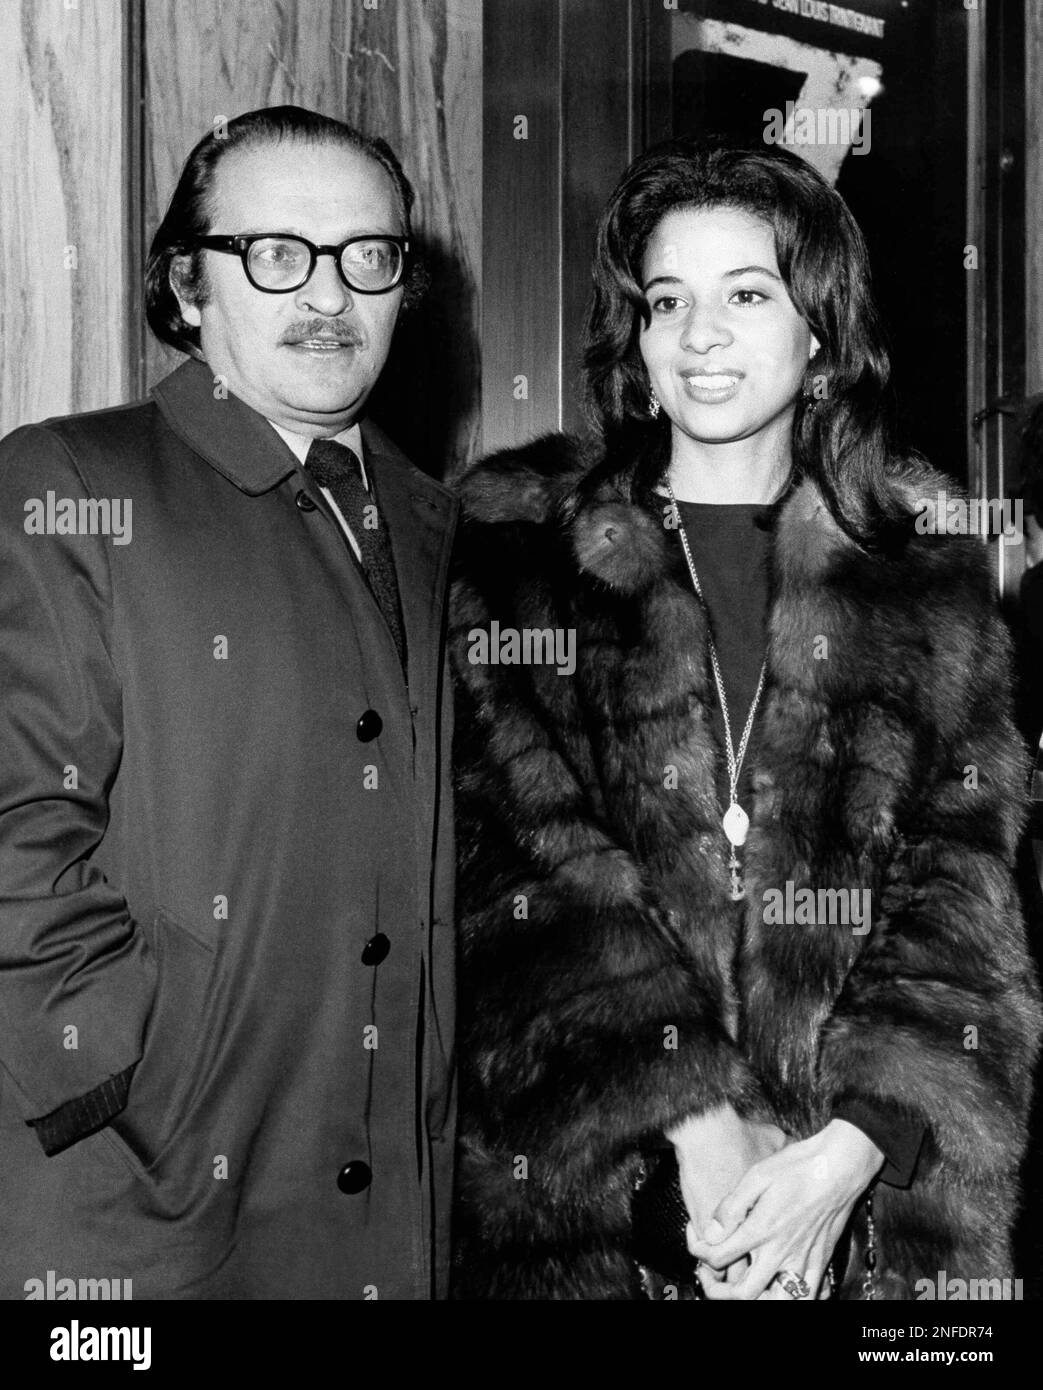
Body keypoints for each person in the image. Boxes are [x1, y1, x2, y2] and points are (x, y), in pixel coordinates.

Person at [448, 137, 1041, 1300]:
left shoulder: (918, 575)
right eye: (666, 300)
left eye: (746, 294)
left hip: (867, 1211)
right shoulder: (521, 551)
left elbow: (960, 905)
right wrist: (700, 1124)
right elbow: (516, 879)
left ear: (818, 330)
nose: (698, 336)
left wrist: (851, 1145)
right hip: (595, 1202)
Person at [0, 106, 457, 1299]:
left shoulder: (440, 526)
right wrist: (129, 1076)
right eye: (274, 254)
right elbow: (16, 827)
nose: (328, 296)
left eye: (369, 257)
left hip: (399, 1214)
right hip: (141, 1214)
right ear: (187, 288)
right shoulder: (71, 481)